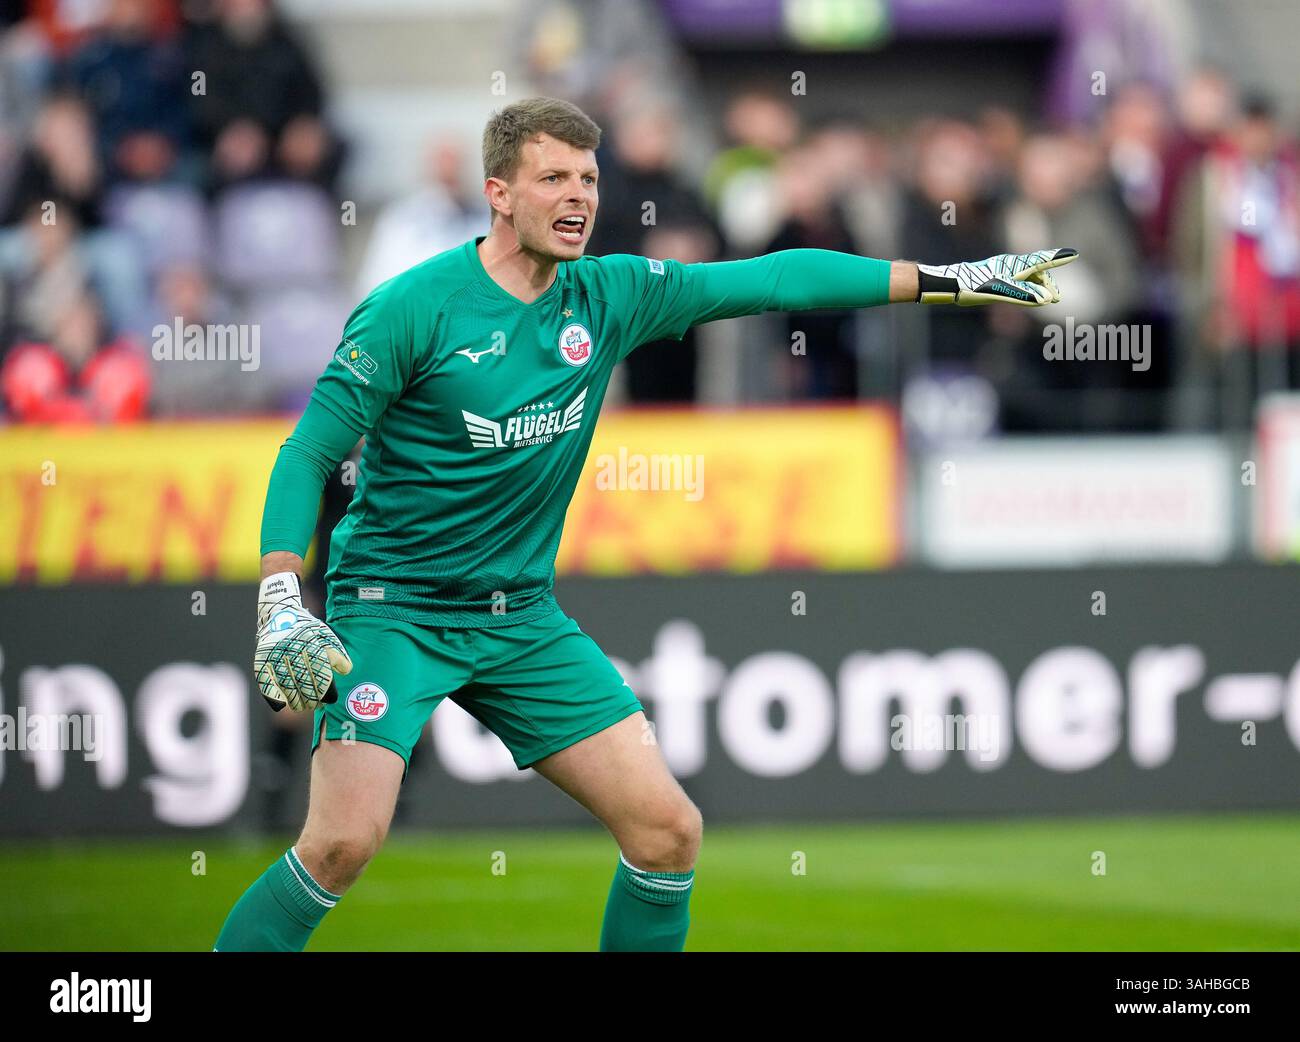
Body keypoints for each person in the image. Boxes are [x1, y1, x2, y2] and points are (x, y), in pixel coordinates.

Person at [213, 96, 1076, 953]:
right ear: (499, 193)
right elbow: (307, 454)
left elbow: (773, 278)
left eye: (588, 177)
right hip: (393, 609)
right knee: (339, 844)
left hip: (520, 618)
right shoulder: (412, 307)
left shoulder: (610, 294)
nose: (579, 195)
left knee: (667, 832)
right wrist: (284, 594)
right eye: (553, 177)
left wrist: (946, 280)